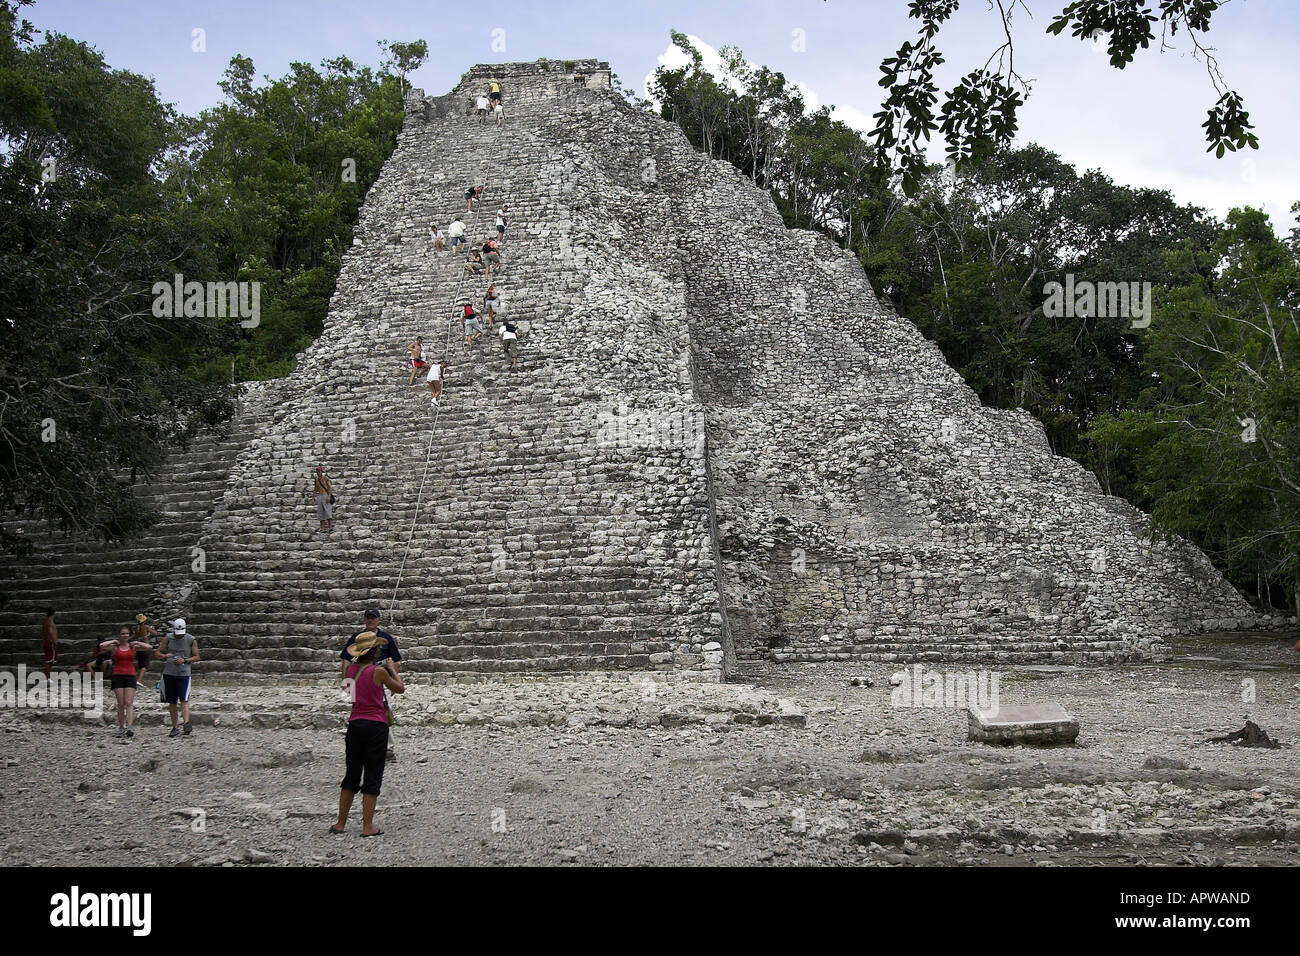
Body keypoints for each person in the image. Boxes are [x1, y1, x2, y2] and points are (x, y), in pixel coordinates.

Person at [330, 631, 405, 837]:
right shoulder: (378, 671)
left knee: (351, 775)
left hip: (355, 724)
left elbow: (348, 694)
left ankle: (340, 823)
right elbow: (399, 688)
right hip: (375, 726)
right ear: (373, 651)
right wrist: (392, 670)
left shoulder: (351, 670)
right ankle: (367, 826)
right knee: (372, 775)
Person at [339, 609, 402, 761]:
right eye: (368, 618)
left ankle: (385, 747)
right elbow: (346, 661)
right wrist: (346, 682)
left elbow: (395, 660)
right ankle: (378, 747)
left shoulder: (385, 637)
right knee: (376, 711)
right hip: (365, 679)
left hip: (378, 679)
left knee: (378, 710)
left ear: (379, 620)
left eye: (373, 618)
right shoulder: (357, 638)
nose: (370, 620)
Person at [99, 626, 153, 738]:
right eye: (123, 633)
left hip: (130, 675)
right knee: (120, 703)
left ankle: (130, 726)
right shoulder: (115, 647)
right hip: (118, 675)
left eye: (127, 633)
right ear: (119, 635)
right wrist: (114, 641)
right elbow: (102, 646)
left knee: (129, 702)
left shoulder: (132, 647)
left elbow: (149, 647)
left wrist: (138, 642)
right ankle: (121, 726)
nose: (125, 636)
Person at [158, 618, 199, 737]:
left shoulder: (191, 640)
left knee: (184, 699)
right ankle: (175, 726)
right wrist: (165, 656)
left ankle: (186, 723)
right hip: (169, 673)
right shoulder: (168, 638)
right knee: (172, 701)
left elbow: (196, 656)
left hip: (184, 674)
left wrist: (185, 660)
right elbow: (157, 652)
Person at [132, 613, 159, 689]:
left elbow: (135, 637)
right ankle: (139, 680)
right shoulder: (146, 627)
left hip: (139, 647)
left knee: (140, 665)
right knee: (145, 665)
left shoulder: (136, 628)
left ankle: (136, 680)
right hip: (145, 647)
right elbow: (155, 634)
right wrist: (152, 629)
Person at [312, 465, 334, 532]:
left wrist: (329, 496)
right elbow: (315, 489)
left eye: (319, 471)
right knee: (320, 513)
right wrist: (313, 497)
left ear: (321, 471)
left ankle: (330, 527)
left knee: (328, 511)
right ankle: (322, 528)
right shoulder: (316, 479)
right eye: (317, 471)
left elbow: (330, 487)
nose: (318, 472)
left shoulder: (325, 478)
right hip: (319, 496)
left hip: (325, 495)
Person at [40, 608, 56, 678]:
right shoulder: (50, 621)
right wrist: (54, 641)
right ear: (54, 613)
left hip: (47, 642)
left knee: (50, 660)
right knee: (49, 661)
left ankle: (47, 677)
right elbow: (50, 631)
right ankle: (47, 678)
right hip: (50, 642)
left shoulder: (46, 621)